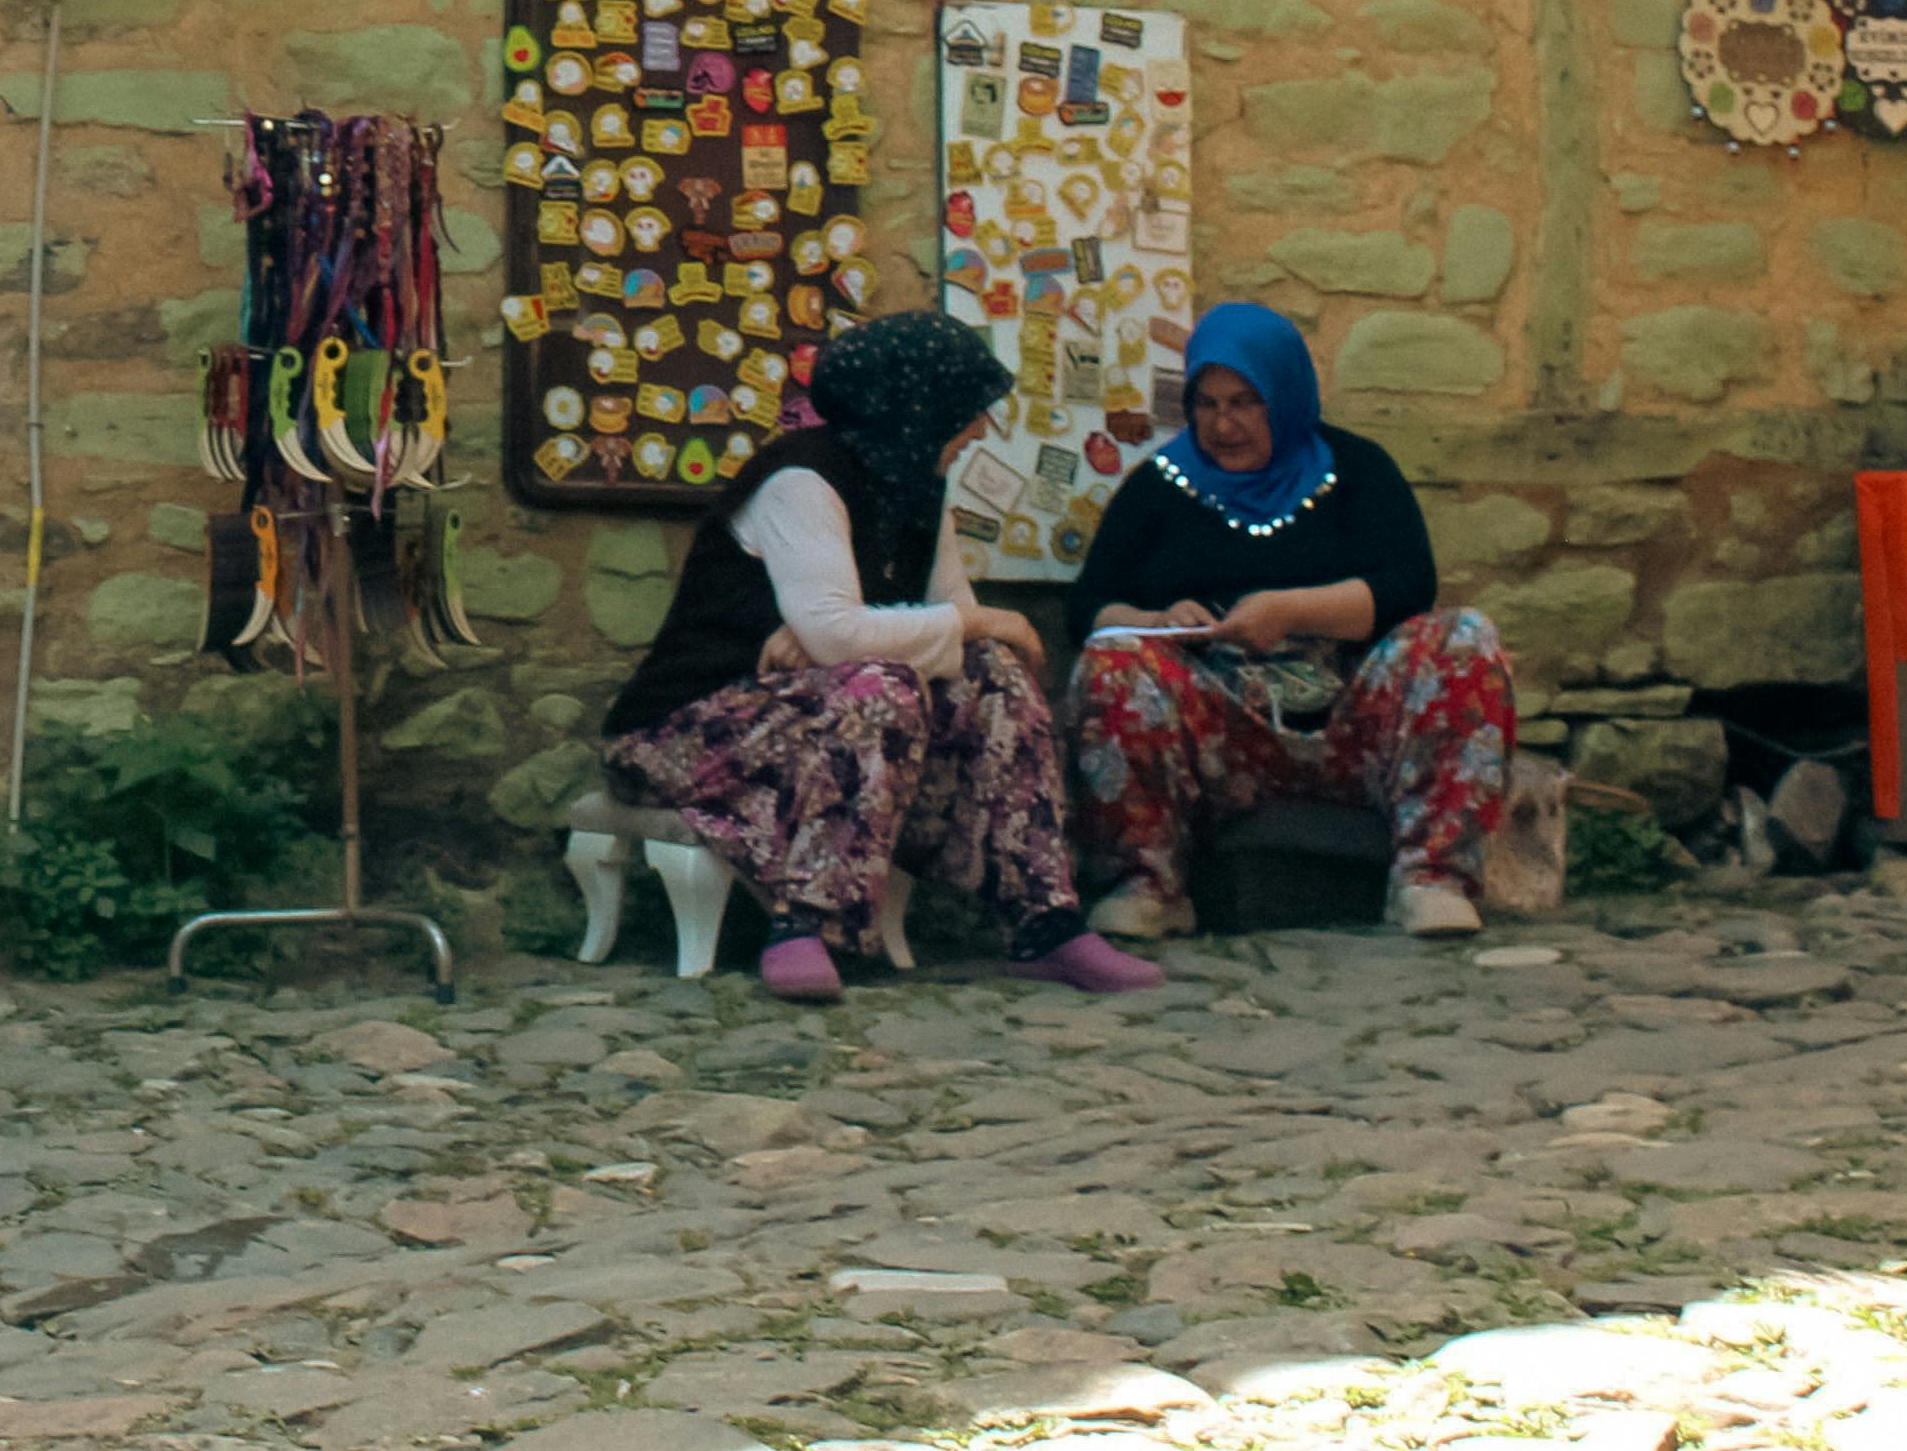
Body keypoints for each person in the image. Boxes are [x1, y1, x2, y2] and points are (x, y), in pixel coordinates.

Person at [597, 313, 1166, 1003]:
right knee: (881, 682)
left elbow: (930, 633)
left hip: (807, 721)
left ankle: (1045, 919)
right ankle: (807, 923)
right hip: (686, 732)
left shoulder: (917, 489)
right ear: (915, 408)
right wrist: (935, 624)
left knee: (993, 673)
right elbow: (856, 637)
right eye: (969, 412)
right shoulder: (802, 480)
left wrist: (875, 630)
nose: (980, 430)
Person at [1063, 300, 1517, 941]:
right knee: (1112, 661)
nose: (1224, 425)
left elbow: (1409, 587)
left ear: (1287, 395)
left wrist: (1290, 611)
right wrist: (1154, 619)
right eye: (1208, 404)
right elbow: (1089, 608)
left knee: (1462, 637)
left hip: (1352, 730)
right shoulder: (1160, 486)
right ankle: (1147, 883)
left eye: (1246, 402)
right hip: (1218, 736)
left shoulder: (1357, 471)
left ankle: (1432, 877)